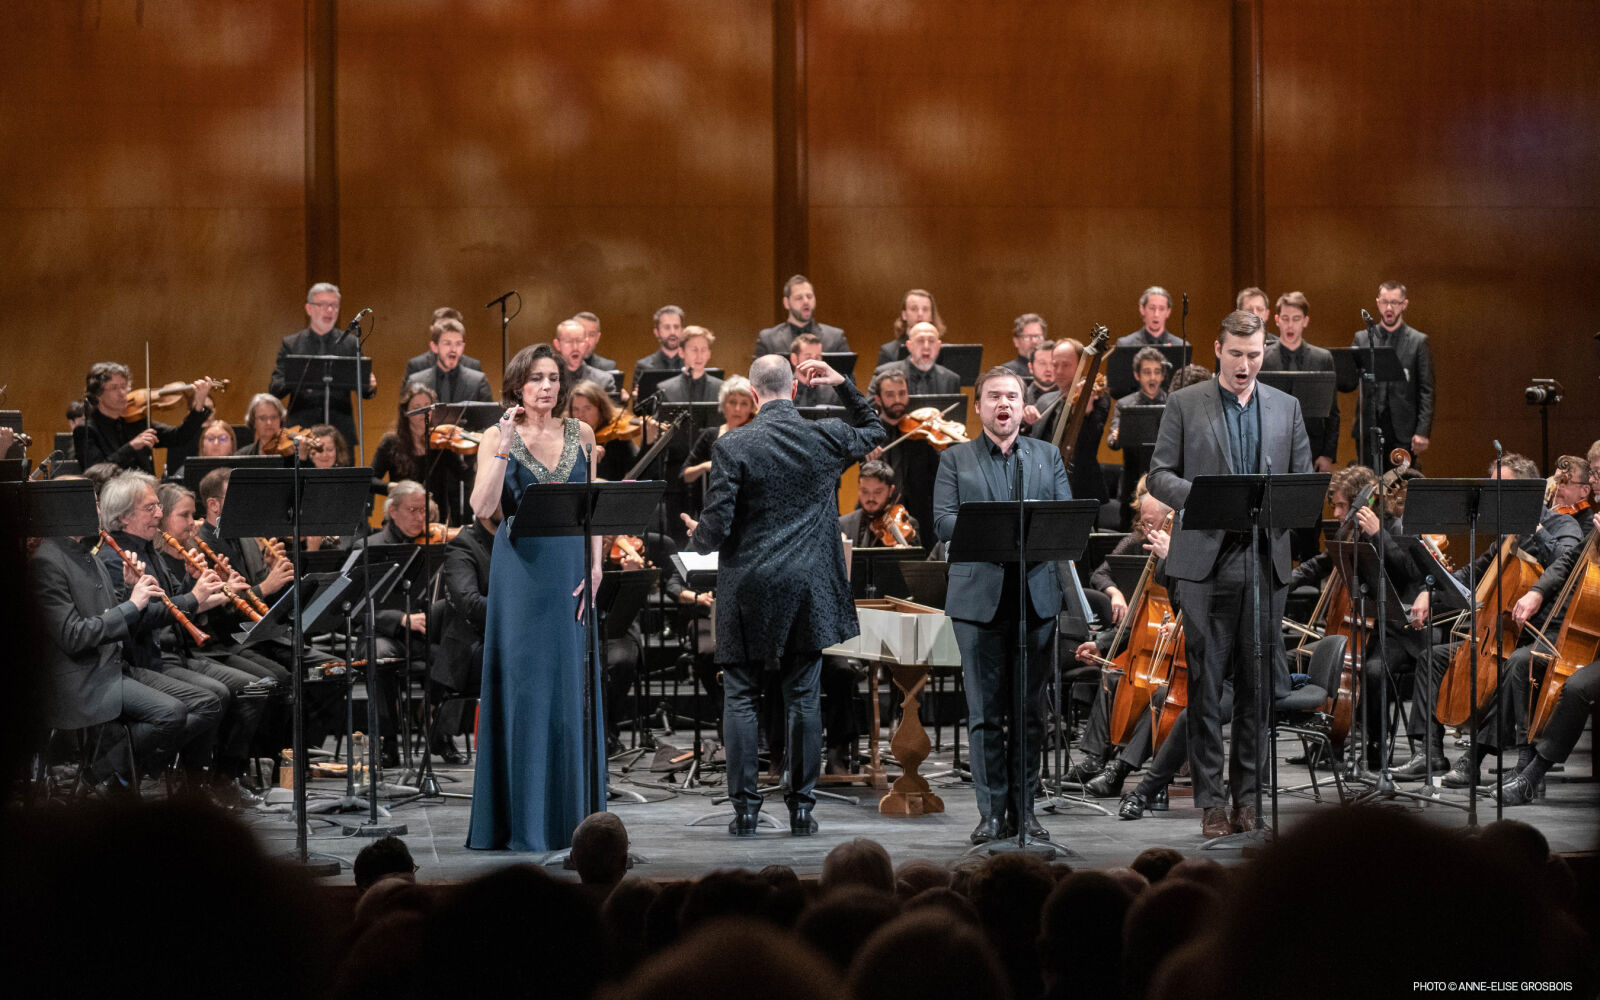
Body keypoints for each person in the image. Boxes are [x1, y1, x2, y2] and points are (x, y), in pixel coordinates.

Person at [680, 355, 885, 837]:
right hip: (809, 586)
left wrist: (696, 536)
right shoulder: (828, 435)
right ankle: (802, 810)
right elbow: (874, 429)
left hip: (748, 586)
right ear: (794, 390)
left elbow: (716, 528)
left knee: (743, 698)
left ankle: (747, 811)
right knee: (802, 698)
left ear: (752, 395)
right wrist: (842, 385)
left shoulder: (734, 444)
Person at [1146, 309, 1313, 838]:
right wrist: (1201, 501)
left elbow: (1303, 482)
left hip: (1263, 562)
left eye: (1255, 354)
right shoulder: (1184, 403)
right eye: (1237, 354)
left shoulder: (1286, 407)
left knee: (1258, 692)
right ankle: (1212, 802)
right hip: (1204, 563)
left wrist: (1284, 502)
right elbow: (1158, 475)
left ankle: (1249, 799)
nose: (1245, 364)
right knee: (1206, 684)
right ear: (1218, 350)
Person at [466, 344, 604, 852]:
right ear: (518, 387)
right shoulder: (494, 435)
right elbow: (483, 507)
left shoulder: (581, 433)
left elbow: (593, 507)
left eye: (553, 378)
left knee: (569, 689)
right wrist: (503, 443)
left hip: (570, 566)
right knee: (525, 691)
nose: (546, 386)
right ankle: (520, 822)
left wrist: (596, 565)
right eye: (536, 378)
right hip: (521, 572)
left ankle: (572, 821)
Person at [933, 366, 1073, 844]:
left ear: (1022, 405)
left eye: (1012, 396)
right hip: (978, 602)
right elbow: (943, 522)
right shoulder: (955, 458)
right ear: (979, 407)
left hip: (1035, 598)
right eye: (994, 396)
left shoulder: (1046, 456)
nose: (1004, 404)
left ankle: (1026, 811)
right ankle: (992, 814)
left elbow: (1064, 519)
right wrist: (998, 530)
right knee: (986, 714)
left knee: (1030, 715)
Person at [267, 282, 378, 448]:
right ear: (309, 308)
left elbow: (365, 392)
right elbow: (275, 389)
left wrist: (370, 386)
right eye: (323, 305)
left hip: (340, 434)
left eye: (334, 306)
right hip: (301, 433)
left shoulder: (349, 343)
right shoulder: (292, 344)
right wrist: (301, 375)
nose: (330, 310)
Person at [1351, 281, 1435, 471]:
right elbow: (1349, 380)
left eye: (1395, 303)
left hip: (1403, 431)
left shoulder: (1418, 341)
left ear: (1404, 305)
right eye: (1385, 302)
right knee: (1368, 487)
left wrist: (1422, 432)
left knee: (1399, 491)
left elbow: (1426, 391)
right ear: (1378, 302)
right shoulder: (1362, 338)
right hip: (1369, 428)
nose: (1389, 308)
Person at [74, 362, 213, 474]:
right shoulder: (86, 430)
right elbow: (95, 472)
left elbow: (179, 436)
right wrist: (131, 447)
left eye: (124, 386)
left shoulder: (135, 421)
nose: (122, 393)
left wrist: (198, 405)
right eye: (114, 388)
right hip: (111, 499)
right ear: (98, 394)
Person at [1025, 338, 1109, 505]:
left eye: (1066, 365)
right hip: (1045, 489)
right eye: (1055, 364)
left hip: (1081, 489)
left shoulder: (1098, 399)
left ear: (1081, 366)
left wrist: (1086, 411)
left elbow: (1089, 444)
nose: (1059, 370)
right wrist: (1025, 420)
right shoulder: (1045, 400)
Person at [1261, 291, 1338, 472]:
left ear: (1305, 321)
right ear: (1277, 320)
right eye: (1285, 319)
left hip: (1313, 447)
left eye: (1296, 319)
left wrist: (1327, 454)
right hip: (1273, 447)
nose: (1290, 325)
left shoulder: (1323, 358)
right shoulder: (1263, 358)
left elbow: (1333, 411)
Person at [863, 368, 940, 547]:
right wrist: (864, 452)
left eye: (902, 393)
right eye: (890, 395)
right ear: (878, 400)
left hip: (921, 519)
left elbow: (937, 475)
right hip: (878, 521)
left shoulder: (922, 433)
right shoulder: (869, 434)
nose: (897, 400)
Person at [372, 382, 468, 526]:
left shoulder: (442, 442)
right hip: (402, 520)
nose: (424, 412)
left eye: (428, 407)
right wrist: (391, 487)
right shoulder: (391, 443)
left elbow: (464, 475)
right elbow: (370, 480)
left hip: (435, 521)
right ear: (406, 412)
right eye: (417, 408)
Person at [1107, 346, 1170, 530]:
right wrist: (1117, 435)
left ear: (1162, 375)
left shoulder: (1172, 402)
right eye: (1147, 372)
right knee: (1128, 534)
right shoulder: (1124, 404)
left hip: (1162, 483)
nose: (1152, 377)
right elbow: (1112, 442)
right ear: (1137, 375)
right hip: (1132, 485)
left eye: (1157, 372)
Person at [405, 316, 494, 430]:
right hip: (426, 446)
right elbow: (407, 423)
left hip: (467, 446)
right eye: (447, 343)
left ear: (463, 347)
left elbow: (489, 425)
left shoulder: (478, 381)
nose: (453, 349)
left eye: (458, 344)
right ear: (434, 347)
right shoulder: (416, 381)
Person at [753, 274, 849, 358]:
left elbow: (849, 378)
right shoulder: (768, 339)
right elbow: (757, 376)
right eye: (799, 298)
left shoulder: (835, 337)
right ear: (786, 303)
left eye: (809, 296)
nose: (806, 301)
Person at [839, 460, 919, 548]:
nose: (870, 498)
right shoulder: (842, 524)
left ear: (890, 490)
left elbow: (915, 560)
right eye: (864, 491)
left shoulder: (908, 526)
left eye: (878, 492)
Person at [568, 381, 636, 482]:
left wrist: (649, 443)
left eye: (587, 408)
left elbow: (637, 472)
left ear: (600, 409)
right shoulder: (566, 438)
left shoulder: (616, 437)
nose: (580, 414)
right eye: (575, 409)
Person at [879, 322, 961, 396]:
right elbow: (870, 410)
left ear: (938, 346)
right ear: (909, 346)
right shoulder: (883, 374)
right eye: (920, 341)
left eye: (931, 341)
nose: (926, 347)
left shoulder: (952, 380)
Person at [403, 306, 483, 380]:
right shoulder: (417, 366)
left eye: (452, 328)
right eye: (441, 327)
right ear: (432, 329)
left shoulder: (473, 366)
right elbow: (408, 395)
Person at [877, 289, 946, 366]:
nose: (920, 314)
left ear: (931, 315)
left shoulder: (946, 352)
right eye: (914, 309)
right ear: (904, 315)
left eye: (925, 309)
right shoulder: (889, 351)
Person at [631, 304, 686, 392]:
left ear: (682, 331)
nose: (672, 332)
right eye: (667, 327)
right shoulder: (643, 367)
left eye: (676, 327)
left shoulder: (693, 365)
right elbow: (638, 404)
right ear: (656, 332)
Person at [554, 318, 616, 393]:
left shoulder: (603, 381)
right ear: (557, 344)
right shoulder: (547, 381)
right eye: (568, 341)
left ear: (586, 343)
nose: (575, 347)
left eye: (580, 341)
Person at [1116, 286, 1183, 348]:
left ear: (1168, 312)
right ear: (1142, 309)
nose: (1156, 314)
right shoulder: (1125, 345)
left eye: (1161, 309)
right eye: (1152, 308)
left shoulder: (1181, 346)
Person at [789, 333, 841, 407]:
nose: (814, 362)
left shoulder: (832, 393)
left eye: (817, 357)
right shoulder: (781, 390)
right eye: (808, 357)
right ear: (794, 359)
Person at [1003, 313, 1047, 378]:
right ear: (1016, 341)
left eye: (1038, 336)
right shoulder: (1007, 372)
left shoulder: (1053, 371)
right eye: (1027, 337)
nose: (1034, 341)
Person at [1024, 339, 1056, 406]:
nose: (1048, 369)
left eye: (1053, 363)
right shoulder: (1019, 399)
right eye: (1042, 363)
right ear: (1031, 367)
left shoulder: (1070, 398)